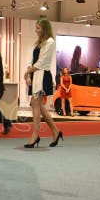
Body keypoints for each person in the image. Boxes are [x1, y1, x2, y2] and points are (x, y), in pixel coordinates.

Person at [23, 19, 62, 148]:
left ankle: (35, 135)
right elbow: (32, 59)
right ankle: (56, 131)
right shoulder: (39, 42)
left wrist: (28, 71)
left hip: (42, 75)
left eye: (38, 28)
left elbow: (42, 62)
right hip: (36, 75)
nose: (36, 30)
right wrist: (28, 72)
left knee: (36, 104)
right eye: (36, 27)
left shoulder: (50, 42)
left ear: (44, 29)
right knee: (38, 105)